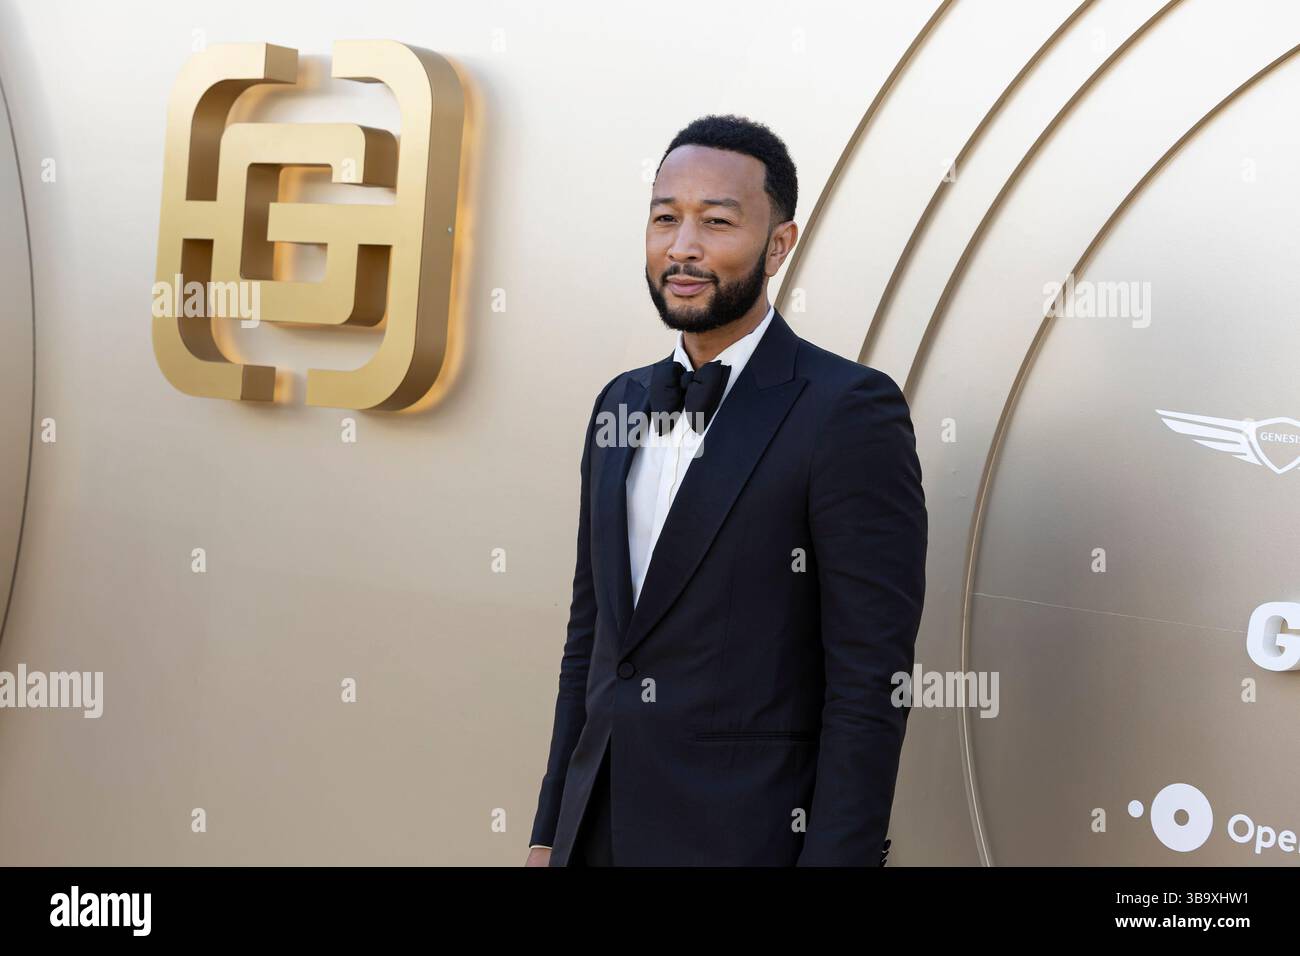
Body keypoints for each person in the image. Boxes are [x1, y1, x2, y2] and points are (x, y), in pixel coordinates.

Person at [525, 114, 927, 866]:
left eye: (716, 222)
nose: (683, 247)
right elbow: (592, 642)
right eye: (665, 219)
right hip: (599, 831)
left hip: (751, 839)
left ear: (779, 245)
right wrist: (552, 830)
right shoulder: (620, 403)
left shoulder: (846, 410)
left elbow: (873, 680)